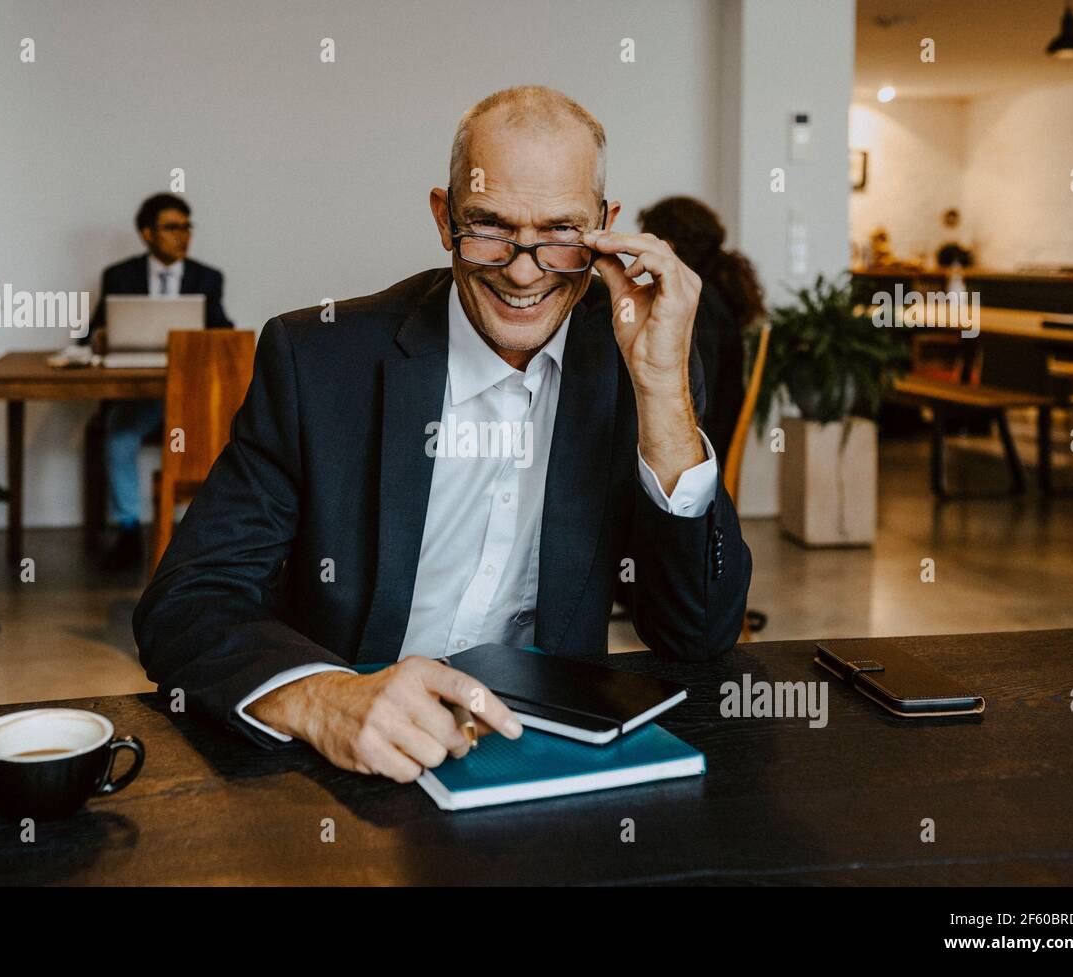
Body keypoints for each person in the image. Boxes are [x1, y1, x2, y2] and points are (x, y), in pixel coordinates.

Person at [134, 85, 752, 784]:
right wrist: (325, 699)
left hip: (540, 756)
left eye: (559, 231)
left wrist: (664, 392)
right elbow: (188, 599)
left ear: (603, 225)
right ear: (443, 216)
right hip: (341, 764)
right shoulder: (317, 359)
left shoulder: (636, 365)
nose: (523, 270)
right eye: (489, 226)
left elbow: (695, 634)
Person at [86, 193, 234, 571]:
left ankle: (202, 533)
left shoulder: (207, 277)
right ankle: (129, 528)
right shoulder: (119, 275)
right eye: (172, 228)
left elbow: (223, 334)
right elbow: (92, 336)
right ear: (147, 234)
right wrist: (100, 337)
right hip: (140, 393)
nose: (183, 236)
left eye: (187, 227)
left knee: (223, 434)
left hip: (192, 393)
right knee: (119, 436)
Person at [638, 197, 765, 462]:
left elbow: (698, 398)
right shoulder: (712, 292)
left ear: (668, 247)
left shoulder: (699, 303)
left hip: (700, 449)